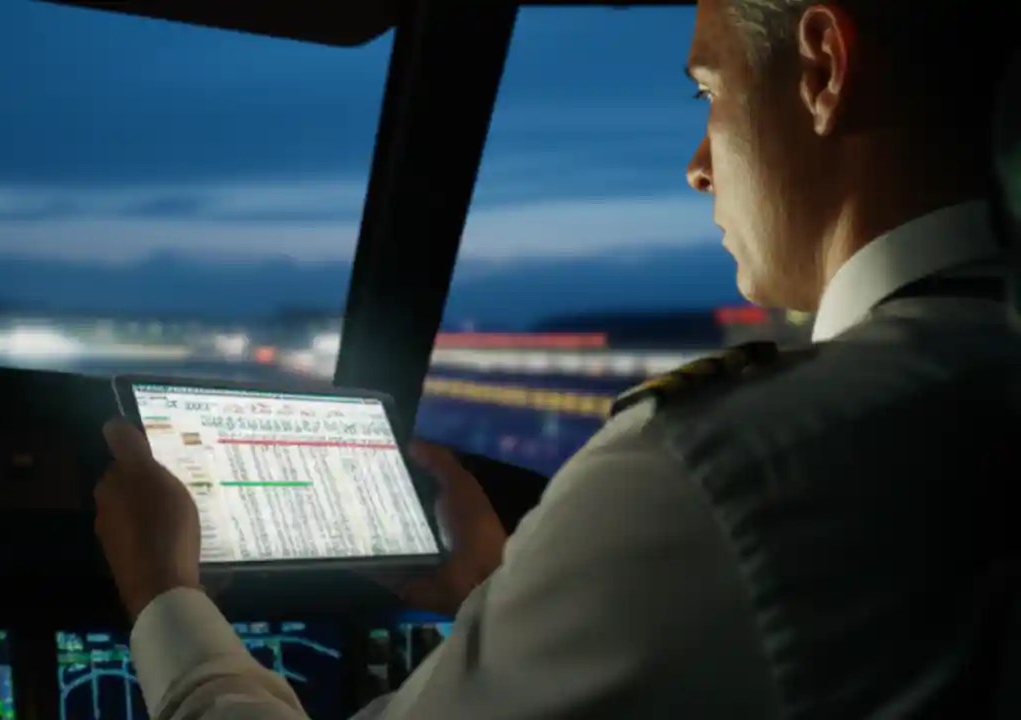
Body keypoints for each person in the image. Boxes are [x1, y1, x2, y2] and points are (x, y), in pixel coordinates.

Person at [94, 1, 1021, 717]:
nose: (699, 164)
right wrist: (504, 599)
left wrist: (165, 598)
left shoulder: (712, 475)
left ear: (821, 67)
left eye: (711, 92)